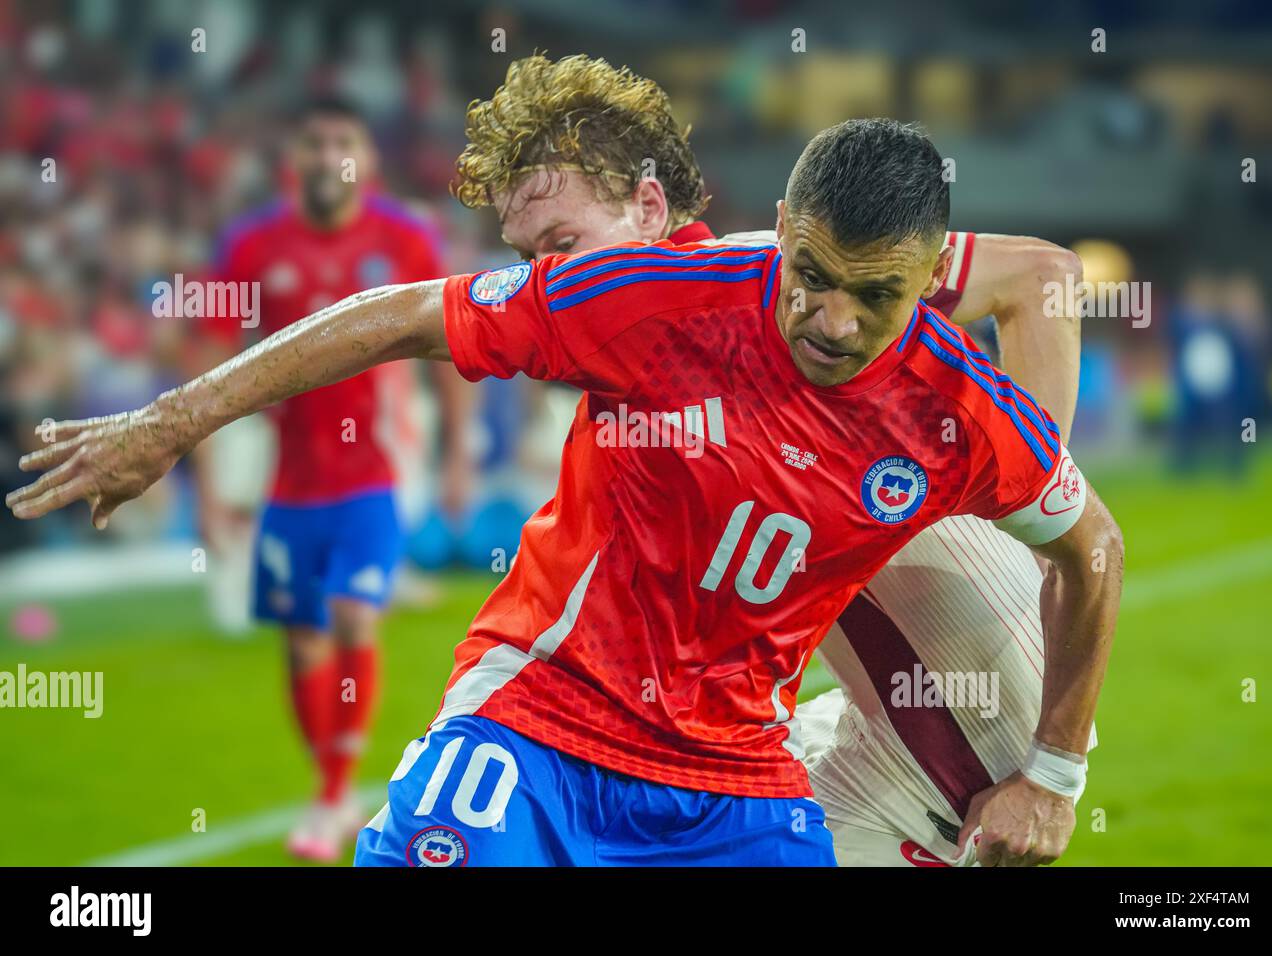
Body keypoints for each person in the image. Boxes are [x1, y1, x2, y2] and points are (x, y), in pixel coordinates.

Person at [7, 117, 1123, 868]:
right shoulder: (652, 300)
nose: (829, 320)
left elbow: (1094, 546)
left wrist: (1058, 775)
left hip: (739, 771)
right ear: (781, 231)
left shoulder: (961, 414)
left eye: (871, 296)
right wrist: (171, 420)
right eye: (812, 276)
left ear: (932, 280)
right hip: (547, 718)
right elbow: (406, 313)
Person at [453, 54, 1091, 866]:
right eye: (525, 255)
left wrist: (1027, 502)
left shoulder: (780, 285)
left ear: (651, 207)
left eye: (564, 244)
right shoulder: (674, 345)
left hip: (964, 741)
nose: (542, 276)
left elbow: (1045, 278)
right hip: (899, 708)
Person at [190, 96, 466, 861]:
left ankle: (334, 790)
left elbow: (453, 346)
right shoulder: (250, 247)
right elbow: (205, 361)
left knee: (351, 614)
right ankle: (331, 784)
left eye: (343, 140)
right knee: (304, 638)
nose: (326, 156)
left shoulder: (406, 238)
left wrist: (456, 456)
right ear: (293, 159)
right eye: (312, 142)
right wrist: (207, 487)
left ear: (367, 160)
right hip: (291, 484)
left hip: (379, 471)